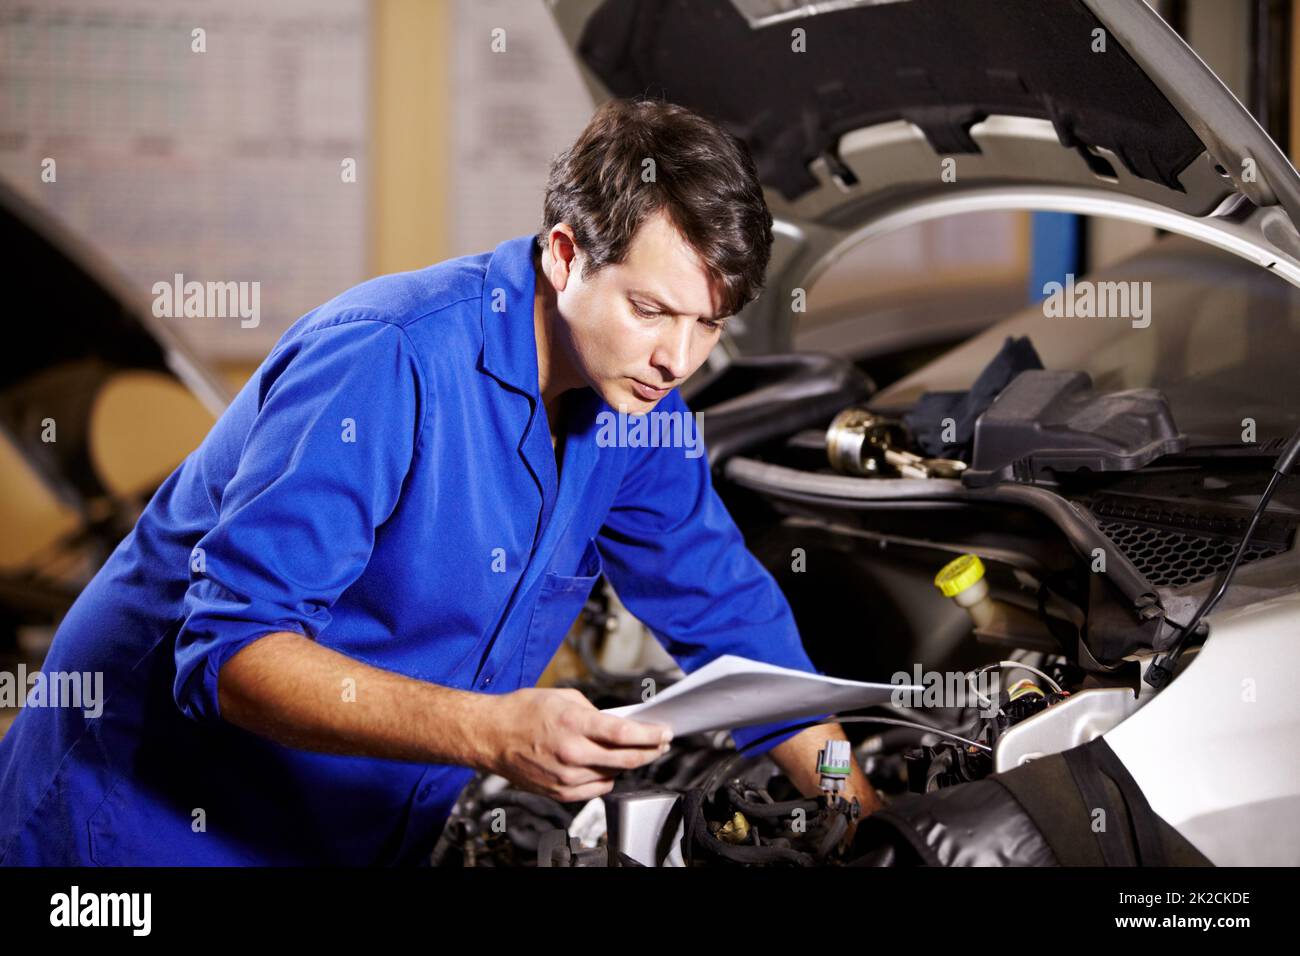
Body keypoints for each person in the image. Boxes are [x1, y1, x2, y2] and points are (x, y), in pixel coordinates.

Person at [0, 98, 879, 865]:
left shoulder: (643, 410)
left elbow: (740, 631)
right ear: (565, 256)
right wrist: (494, 729)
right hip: (139, 821)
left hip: (361, 827)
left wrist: (856, 812)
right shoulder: (388, 358)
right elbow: (230, 656)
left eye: (709, 325)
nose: (677, 358)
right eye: (650, 310)